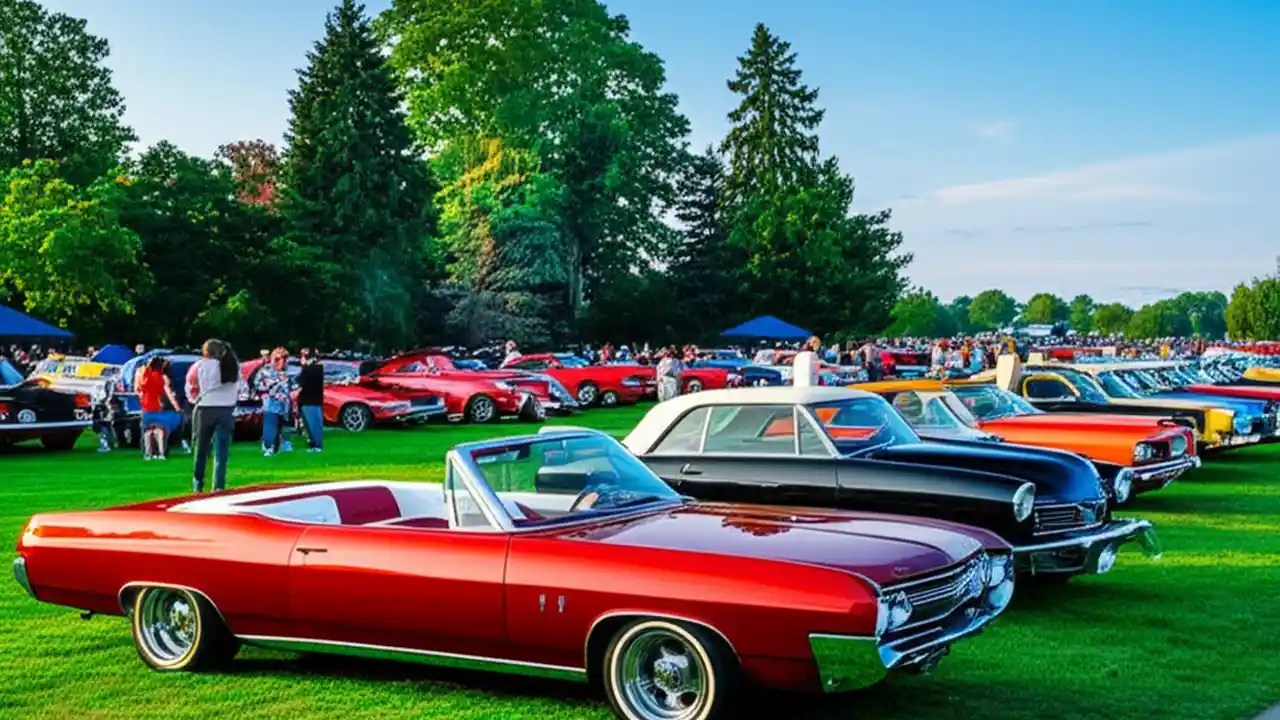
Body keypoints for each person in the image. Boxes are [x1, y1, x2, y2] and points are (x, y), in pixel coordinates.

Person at [186, 339, 239, 493]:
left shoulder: (199, 366)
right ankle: (218, 486)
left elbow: (190, 385)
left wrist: (195, 399)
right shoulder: (233, 366)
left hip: (205, 408)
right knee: (221, 452)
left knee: (201, 448)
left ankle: (198, 483)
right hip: (226, 409)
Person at [137, 356, 182, 460]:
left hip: (146, 407)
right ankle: (161, 452)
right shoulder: (160, 377)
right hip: (157, 407)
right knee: (161, 431)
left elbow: (140, 389)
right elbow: (166, 393)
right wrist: (177, 407)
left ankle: (148, 453)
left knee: (148, 431)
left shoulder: (144, 376)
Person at [256, 347, 293, 457]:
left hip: (285, 404)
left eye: (284, 358)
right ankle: (268, 447)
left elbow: (292, 386)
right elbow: (258, 385)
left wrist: (290, 394)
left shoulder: (287, 372)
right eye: (278, 358)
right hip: (270, 403)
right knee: (270, 425)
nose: (282, 361)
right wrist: (272, 393)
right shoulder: (265, 371)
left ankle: (285, 444)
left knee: (284, 425)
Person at [296, 350, 325, 452]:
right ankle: (318, 444)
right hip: (317, 400)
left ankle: (314, 445)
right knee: (317, 424)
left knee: (310, 425)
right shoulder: (319, 369)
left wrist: (304, 367)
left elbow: (300, 383)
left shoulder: (307, 370)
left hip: (307, 400)